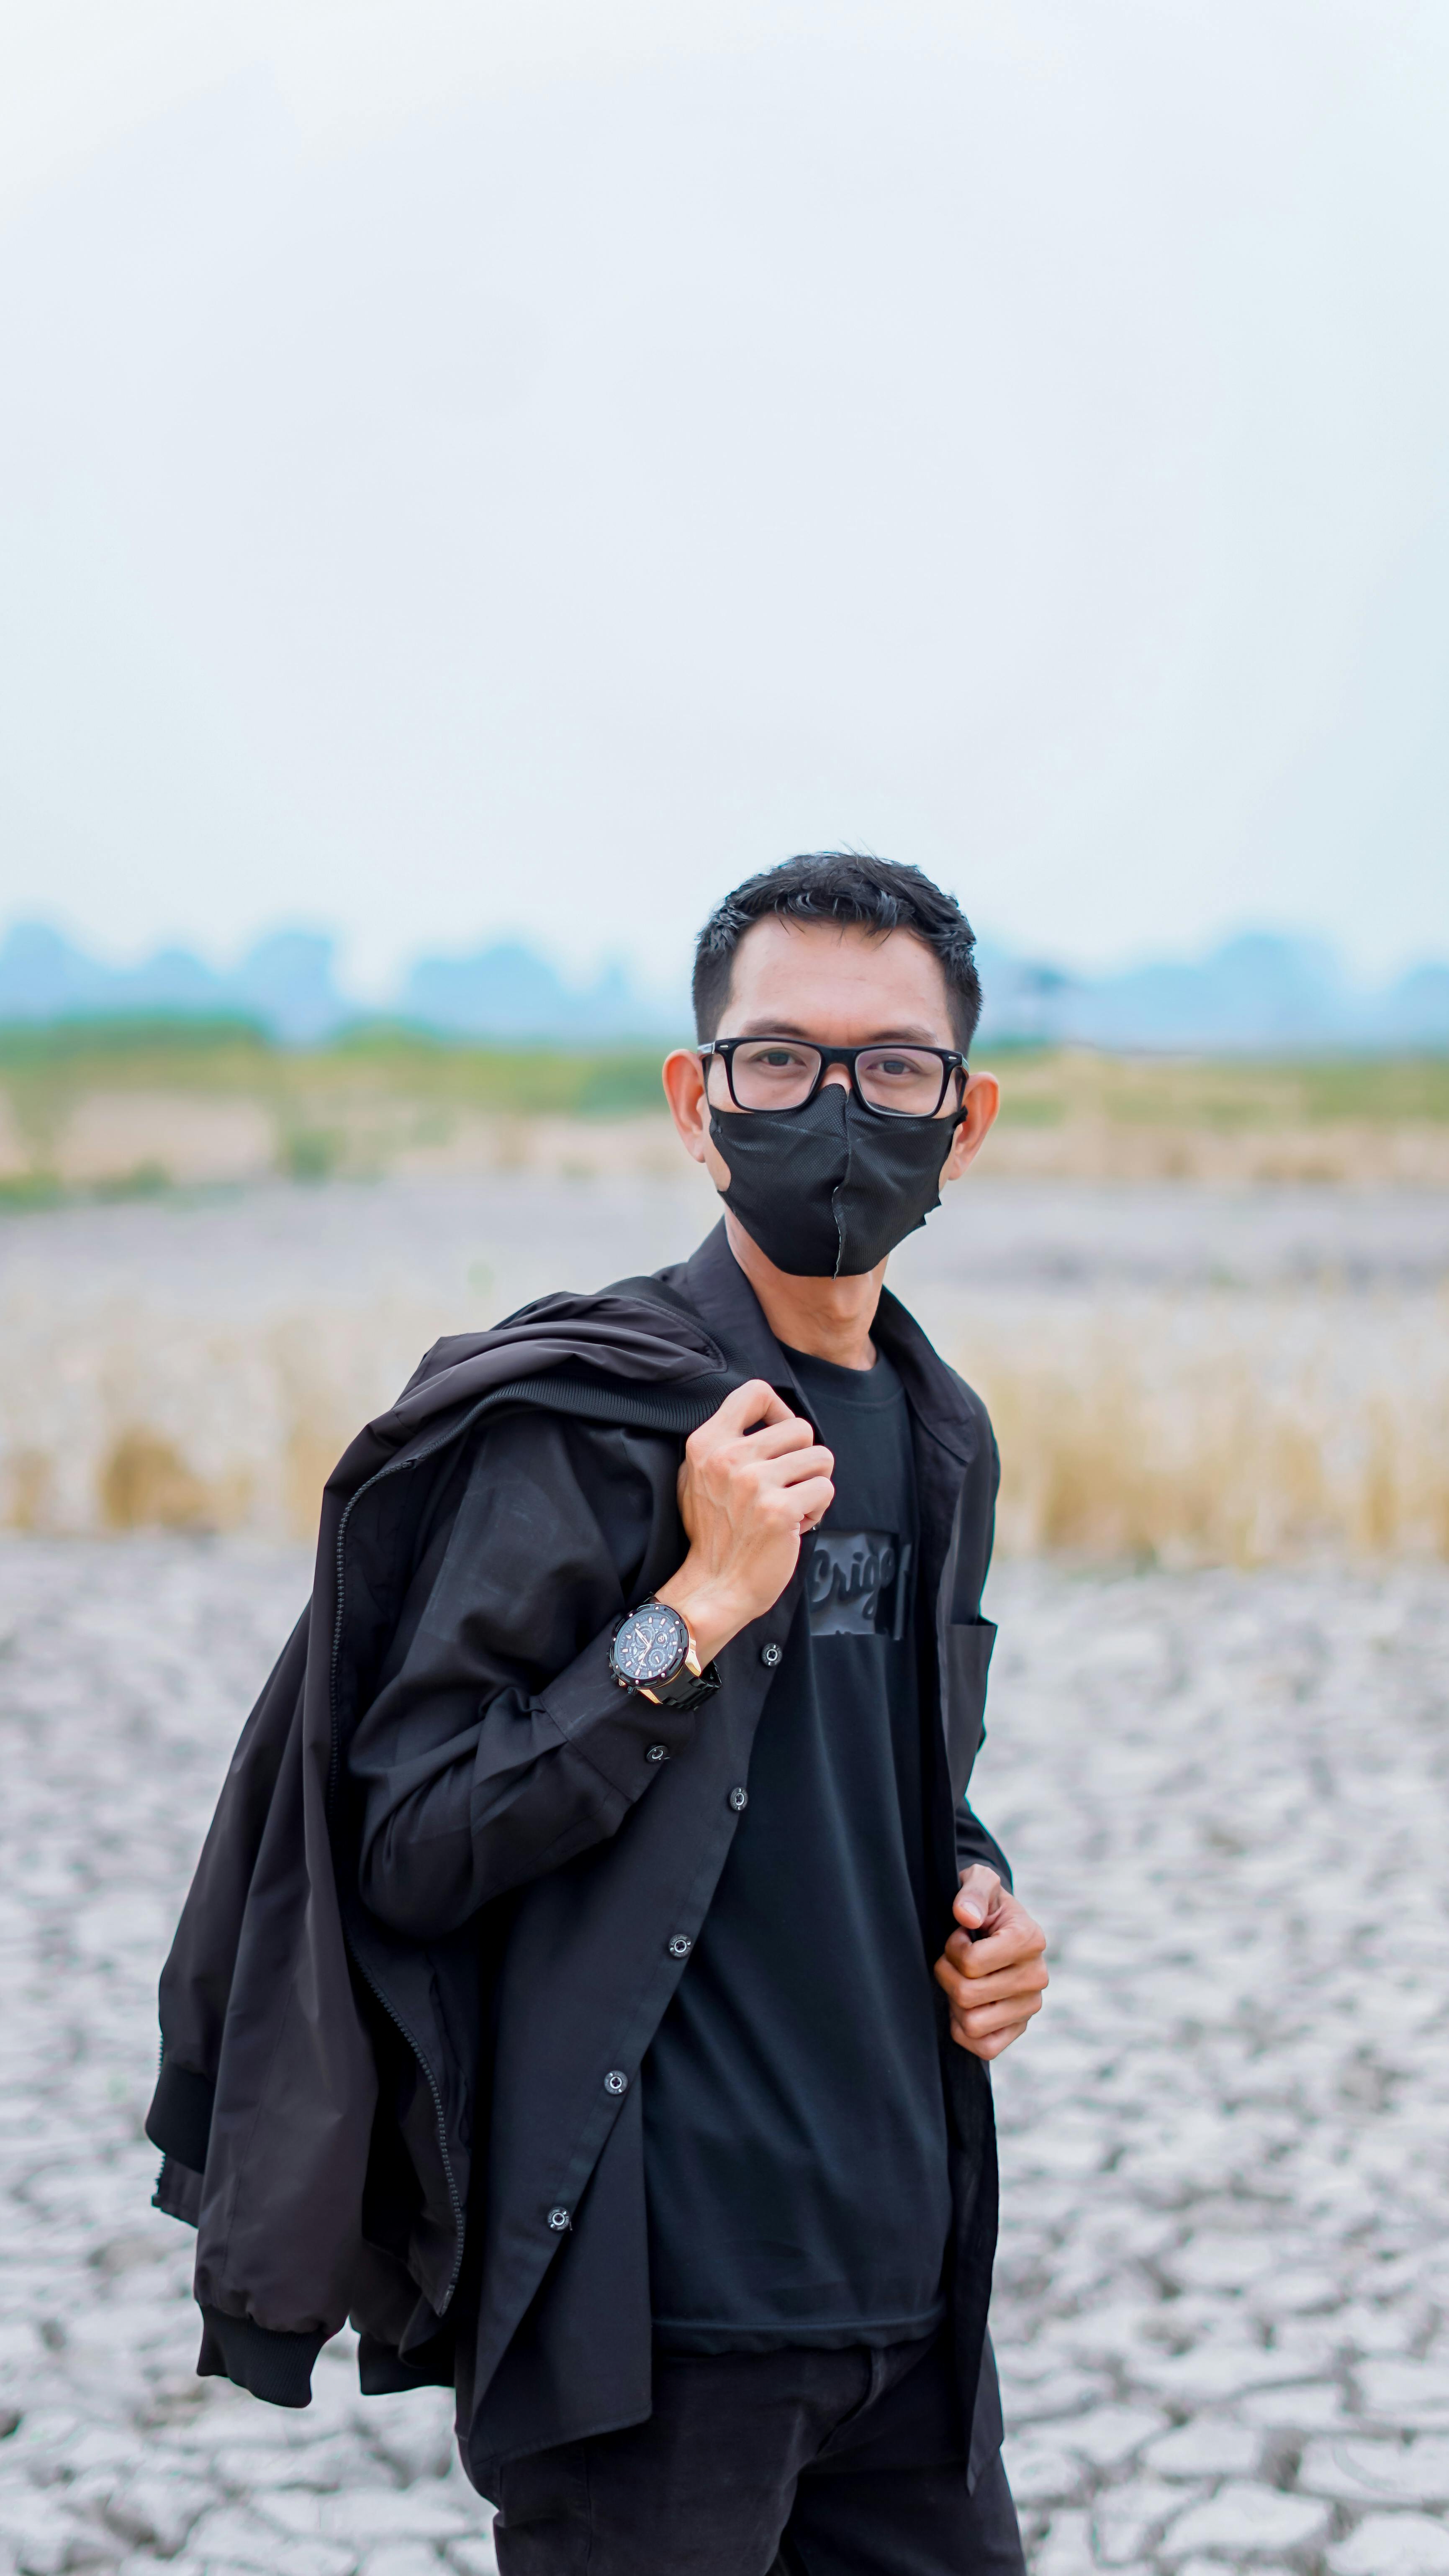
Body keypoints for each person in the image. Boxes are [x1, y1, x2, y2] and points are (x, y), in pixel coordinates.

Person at [146, 851, 1048, 2576]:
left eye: (890, 1068)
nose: (836, 1107)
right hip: (653, 2329)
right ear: (694, 1102)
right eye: (777, 1060)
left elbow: (890, 1785)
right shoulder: (581, 1419)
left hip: (906, 2301)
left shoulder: (940, 1434)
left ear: (966, 1115)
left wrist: (979, 1900)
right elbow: (406, 1844)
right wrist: (690, 1609)